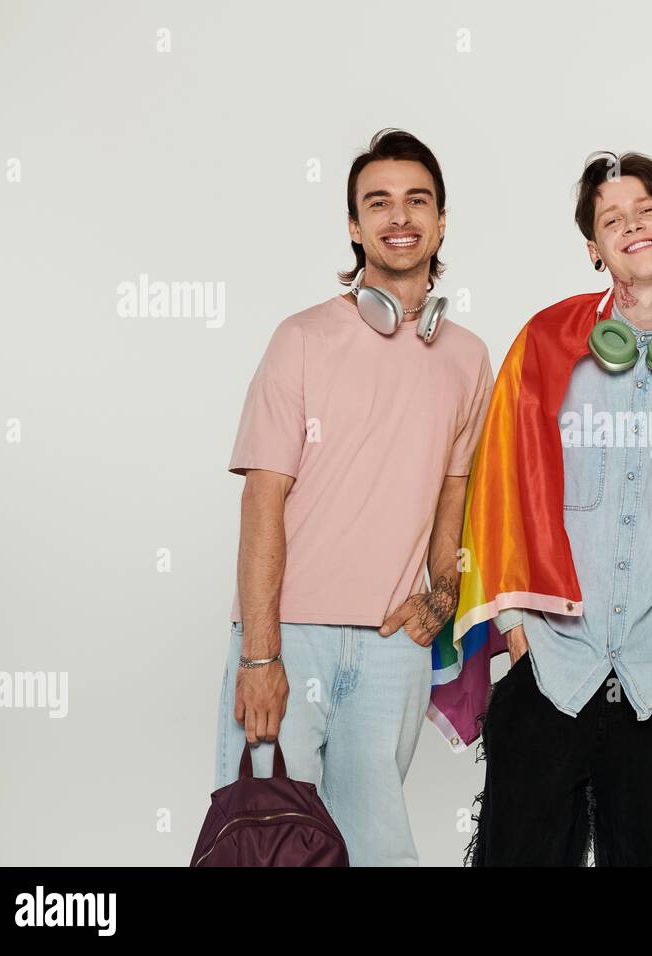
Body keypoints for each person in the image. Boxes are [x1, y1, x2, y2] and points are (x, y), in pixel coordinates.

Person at [428, 151, 652, 866]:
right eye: (611, 219)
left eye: (646, 210)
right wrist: (516, 627)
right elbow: (499, 491)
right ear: (594, 249)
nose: (632, 227)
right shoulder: (544, 348)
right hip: (553, 671)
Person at [212, 128, 494, 866]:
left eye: (416, 201)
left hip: (391, 649)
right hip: (287, 637)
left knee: (377, 854)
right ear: (353, 225)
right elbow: (262, 503)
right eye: (378, 203)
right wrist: (259, 658)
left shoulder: (467, 357)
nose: (399, 217)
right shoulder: (300, 338)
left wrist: (443, 589)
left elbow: (454, 489)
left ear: (440, 221)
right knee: (266, 844)